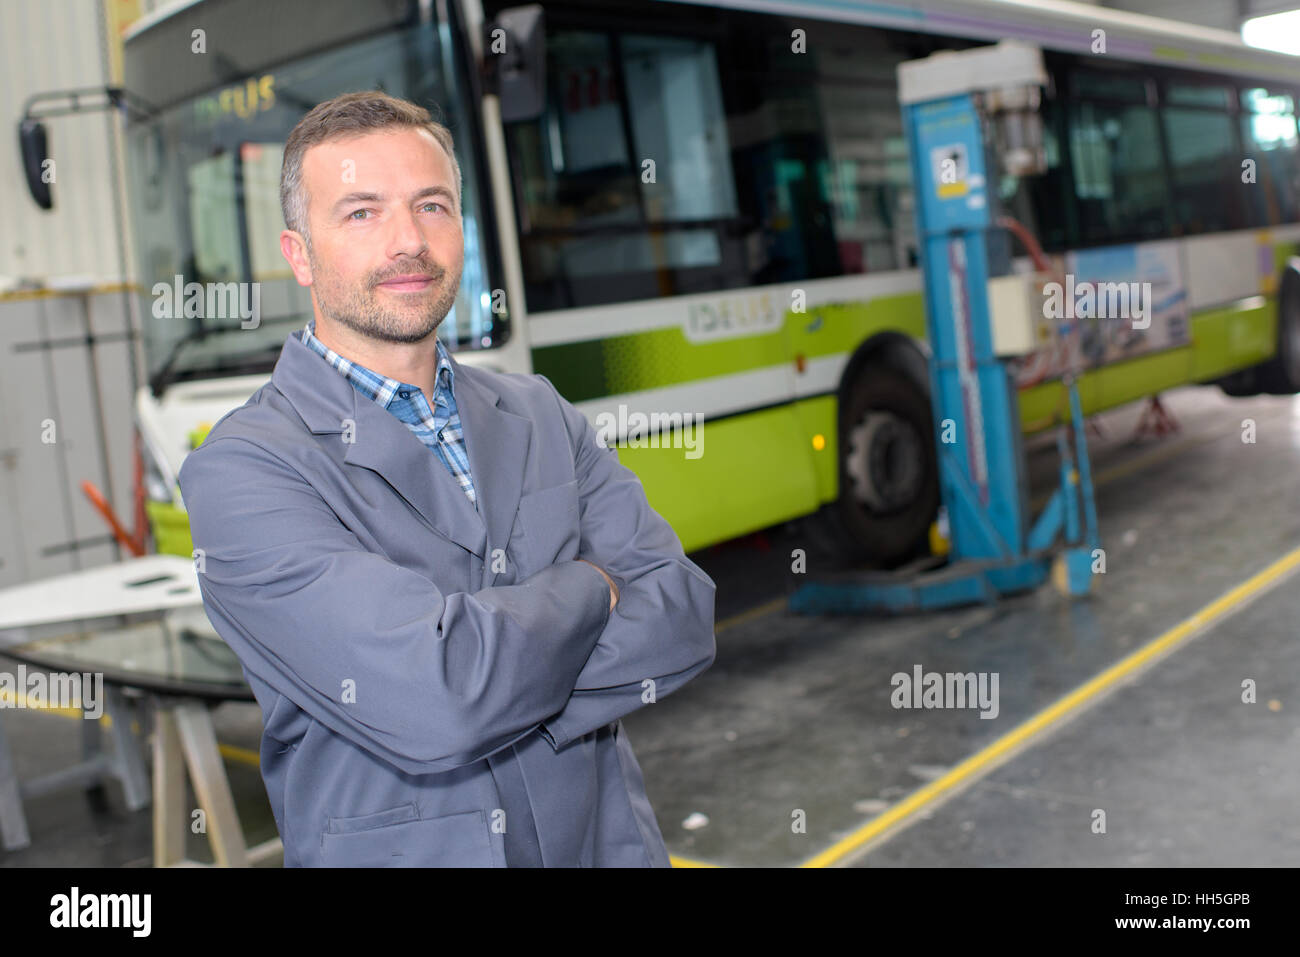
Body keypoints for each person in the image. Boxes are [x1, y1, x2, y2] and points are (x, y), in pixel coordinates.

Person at [177, 91, 717, 867]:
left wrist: (491, 666)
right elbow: (440, 697)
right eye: (361, 213)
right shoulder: (245, 468)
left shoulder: (538, 410)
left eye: (431, 206)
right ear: (298, 254)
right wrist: (594, 586)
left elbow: (681, 609)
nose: (408, 242)